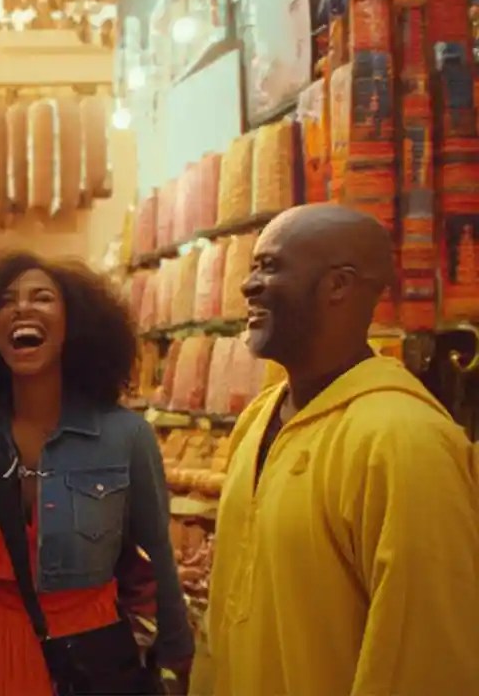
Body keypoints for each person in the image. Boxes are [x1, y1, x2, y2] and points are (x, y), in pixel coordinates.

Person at [191, 205, 479, 695]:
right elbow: (224, 620)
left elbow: (425, 656)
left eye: (271, 267)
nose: (249, 285)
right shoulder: (258, 419)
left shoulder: (405, 441)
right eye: (254, 266)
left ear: (339, 286)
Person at [0, 250, 193, 696]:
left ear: (74, 323)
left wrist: (175, 655)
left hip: (93, 657)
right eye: (5, 300)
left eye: (43, 298)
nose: (23, 308)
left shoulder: (125, 436)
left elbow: (157, 554)